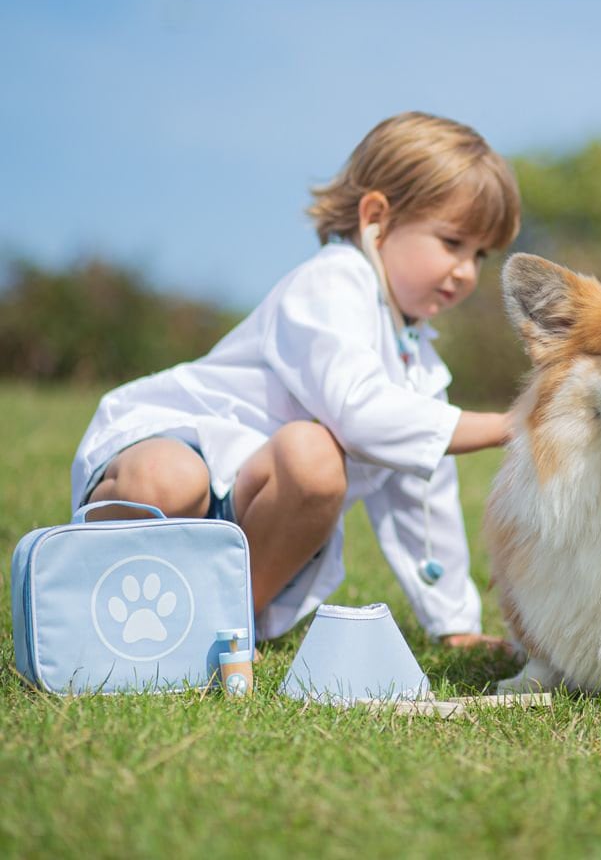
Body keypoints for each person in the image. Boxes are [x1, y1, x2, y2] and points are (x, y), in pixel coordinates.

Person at [71, 111, 520, 648]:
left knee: (313, 460)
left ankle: (215, 632)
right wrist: (505, 426)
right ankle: (91, 607)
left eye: (480, 255)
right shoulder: (330, 285)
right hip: (177, 454)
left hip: (254, 507)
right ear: (377, 217)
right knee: (171, 478)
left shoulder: (417, 362)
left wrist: (455, 625)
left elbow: (423, 500)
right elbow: (361, 415)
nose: (467, 271)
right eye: (452, 243)